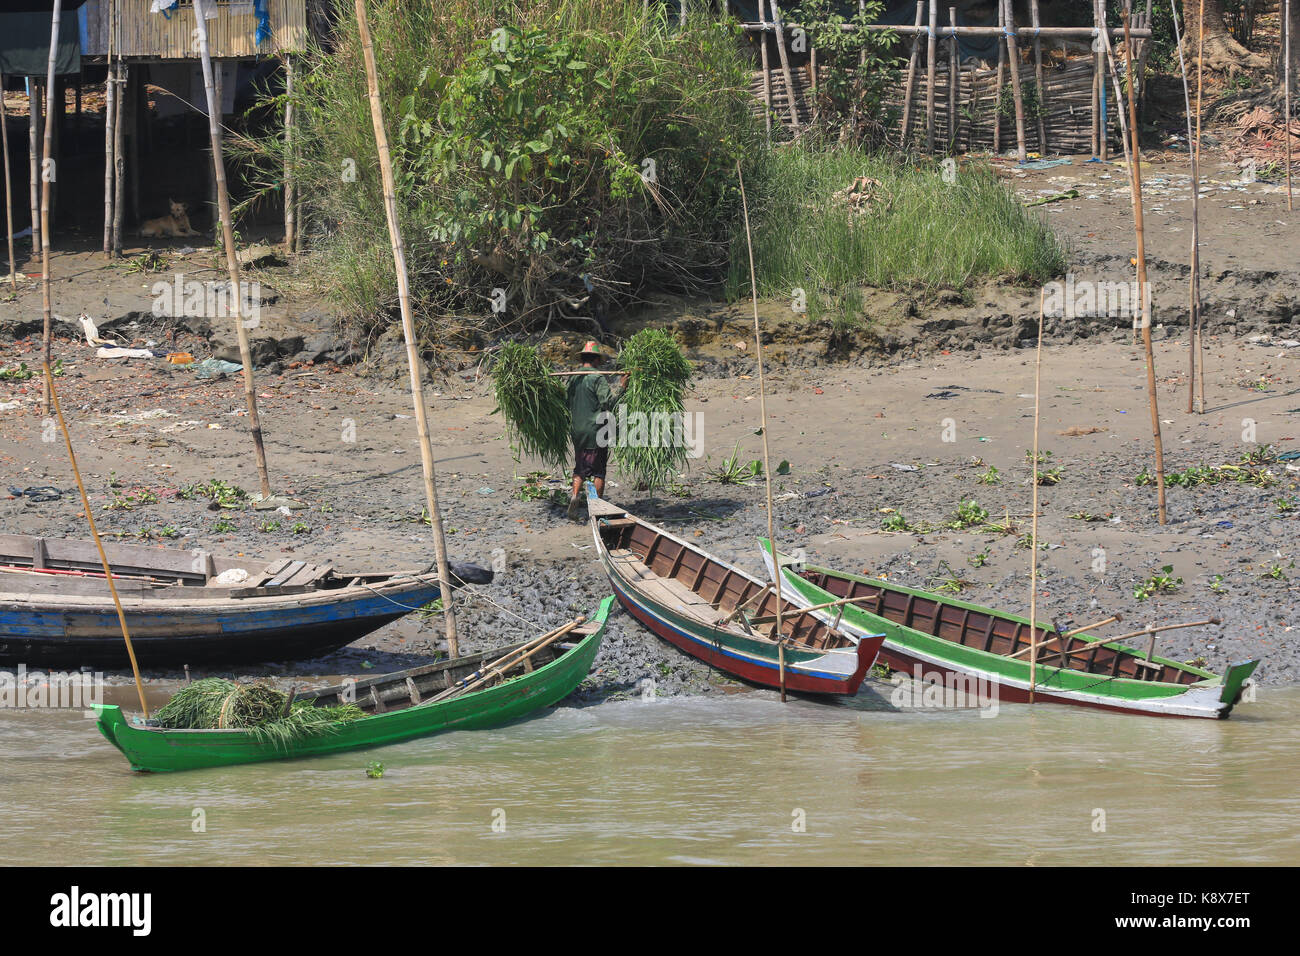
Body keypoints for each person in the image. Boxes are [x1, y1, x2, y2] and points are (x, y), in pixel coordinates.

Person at [566, 341, 627, 521]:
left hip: (577, 430)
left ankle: (575, 495)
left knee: (580, 467)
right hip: (595, 431)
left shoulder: (572, 377)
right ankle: (599, 508)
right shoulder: (597, 378)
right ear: (595, 360)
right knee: (598, 470)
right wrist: (622, 388)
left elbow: (565, 401)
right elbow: (608, 403)